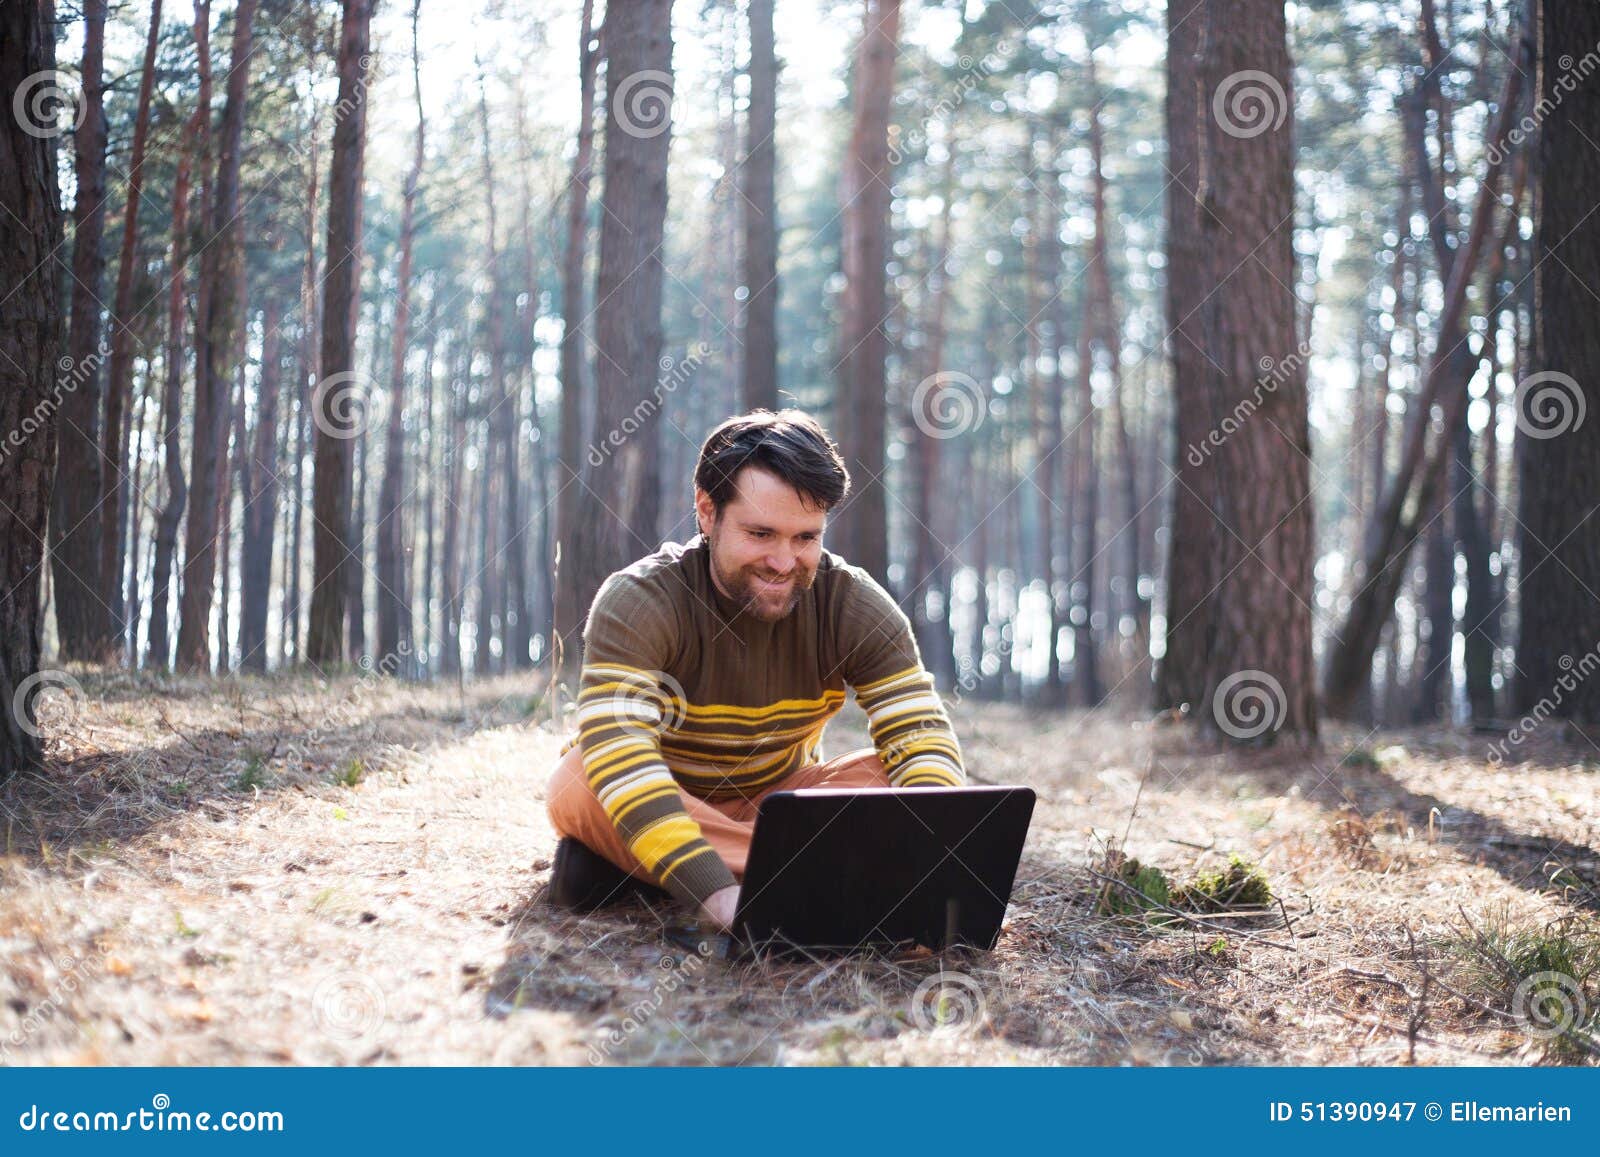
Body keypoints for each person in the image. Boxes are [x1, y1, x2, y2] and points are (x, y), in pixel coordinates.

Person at [545, 409, 965, 930]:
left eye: (806, 538)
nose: (784, 562)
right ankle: (784, 876)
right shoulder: (639, 600)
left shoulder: (852, 604)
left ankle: (643, 866)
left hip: (781, 806)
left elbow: (920, 733)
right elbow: (622, 749)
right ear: (706, 511)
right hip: (665, 792)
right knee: (584, 776)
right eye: (761, 534)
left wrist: (933, 854)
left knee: (897, 779)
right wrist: (718, 897)